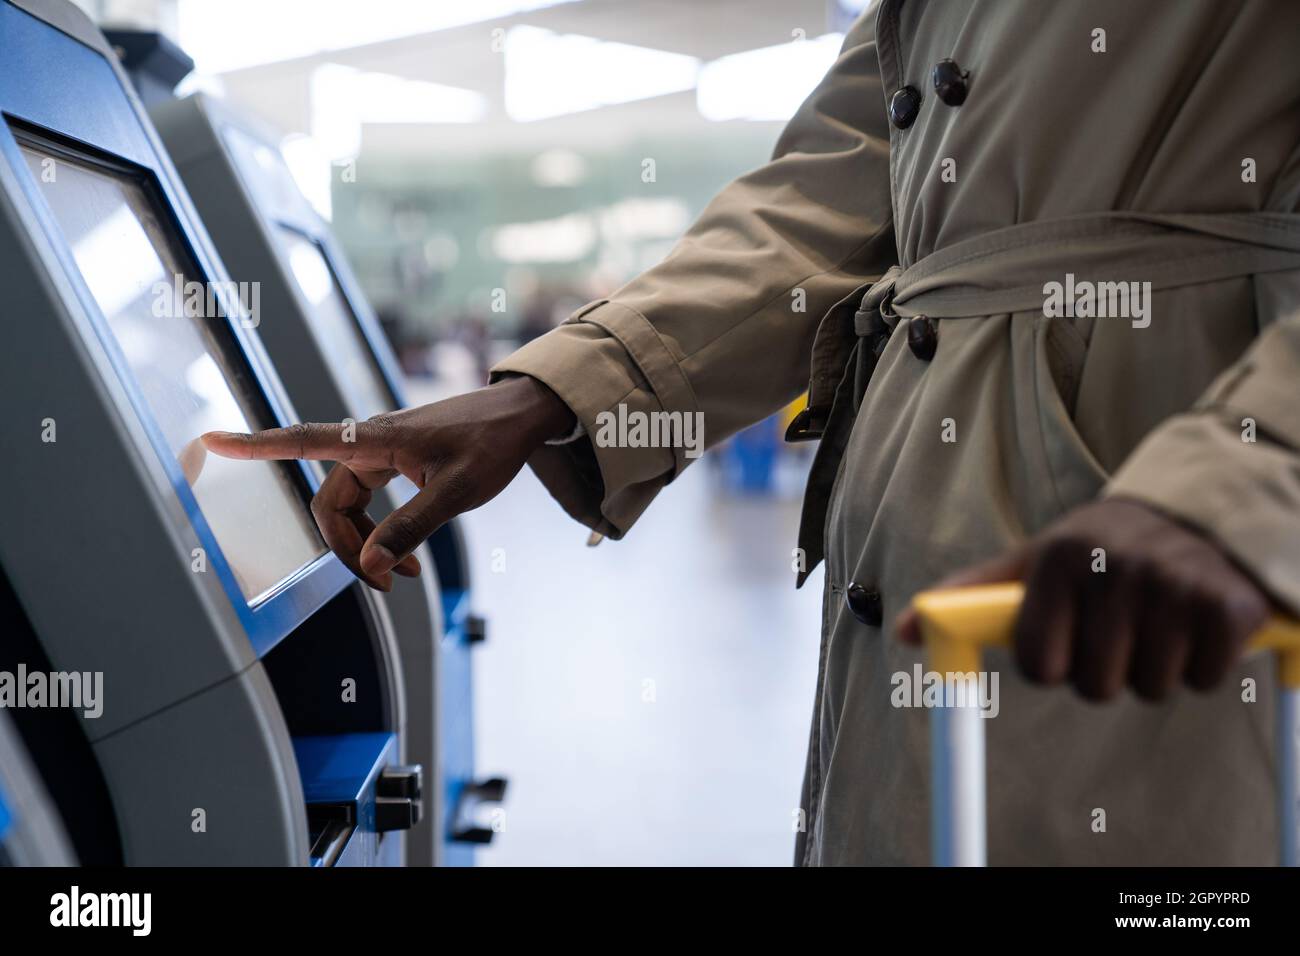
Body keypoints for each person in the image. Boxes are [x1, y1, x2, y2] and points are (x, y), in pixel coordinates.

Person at [203, 0, 1300, 864]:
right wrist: (555, 388)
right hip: (934, 531)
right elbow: (829, 191)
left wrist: (1248, 482)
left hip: (1175, 500)